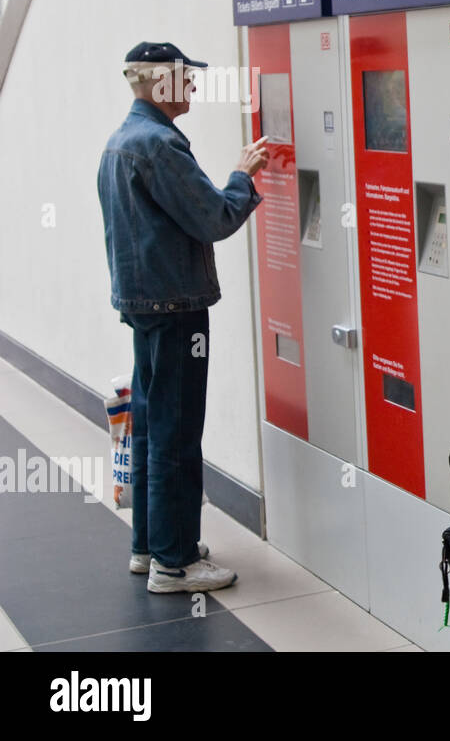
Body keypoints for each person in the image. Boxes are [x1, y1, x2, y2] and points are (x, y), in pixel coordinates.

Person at [97, 42, 268, 594]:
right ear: (159, 83)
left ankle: (150, 546)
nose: (193, 86)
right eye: (185, 78)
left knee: (150, 428)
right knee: (176, 431)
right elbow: (215, 217)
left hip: (143, 306)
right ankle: (176, 564)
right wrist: (242, 175)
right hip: (175, 310)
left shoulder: (121, 140)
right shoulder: (159, 145)